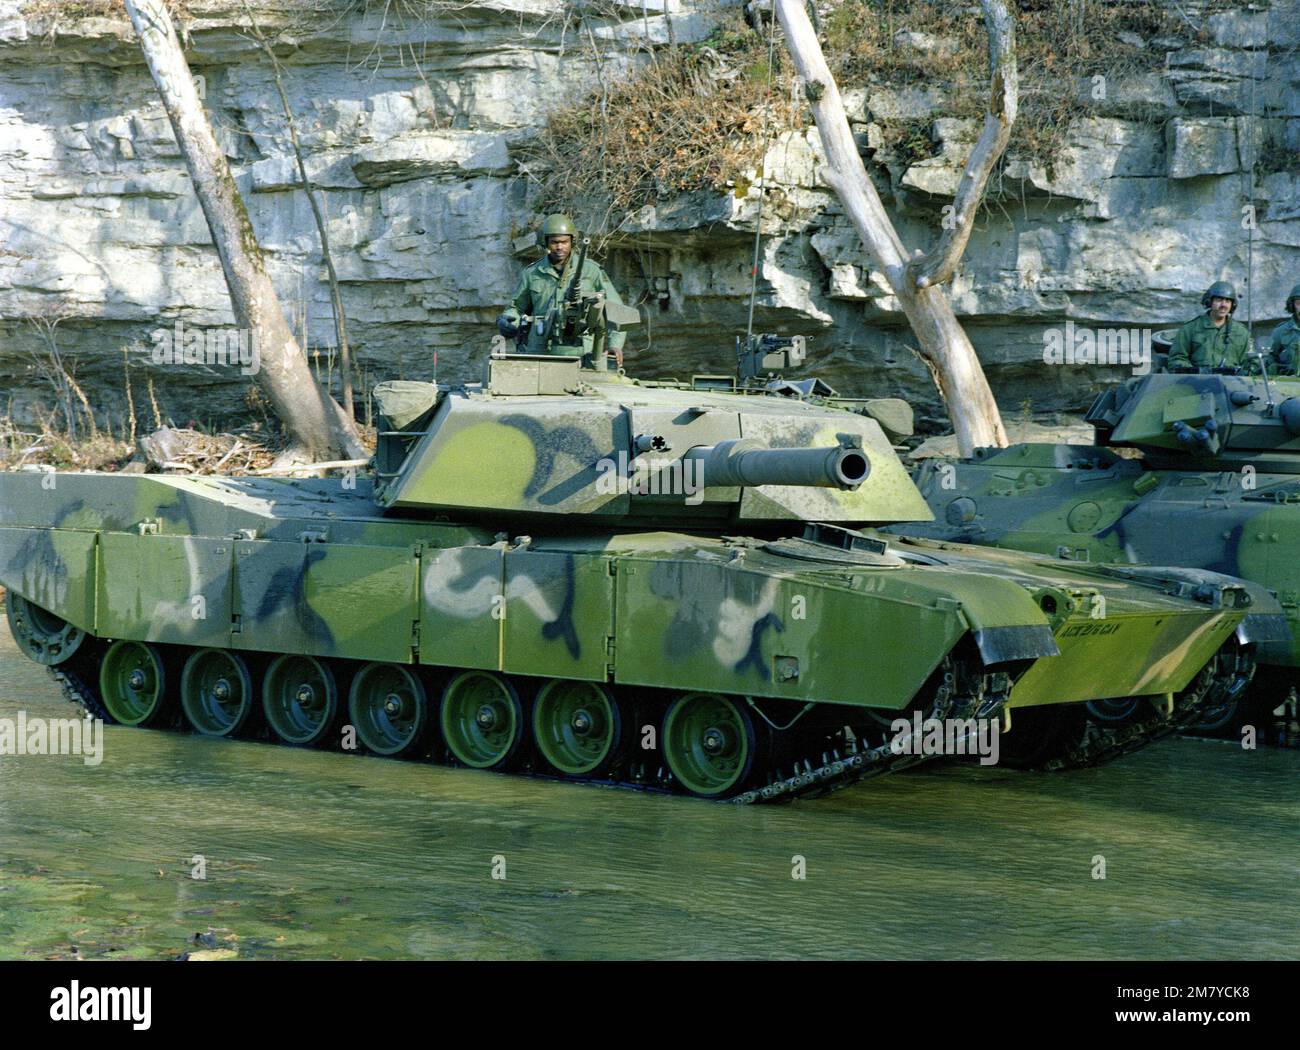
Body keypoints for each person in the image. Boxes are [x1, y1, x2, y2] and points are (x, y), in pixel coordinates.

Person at [495, 214, 629, 367]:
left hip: (581, 354)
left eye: (564, 242)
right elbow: (517, 307)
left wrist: (615, 345)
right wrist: (507, 320)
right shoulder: (532, 273)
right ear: (545, 243)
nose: (560, 247)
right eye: (554, 242)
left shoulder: (592, 271)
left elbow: (617, 310)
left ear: (572, 242)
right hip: (539, 352)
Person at [1165, 281, 1252, 373]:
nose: (1223, 305)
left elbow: (1251, 363)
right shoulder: (1190, 329)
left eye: (1228, 301)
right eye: (1219, 300)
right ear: (1209, 302)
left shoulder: (1241, 332)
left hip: (1231, 384)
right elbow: (1177, 359)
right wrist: (1194, 373)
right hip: (1197, 384)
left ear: (1232, 305)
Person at [1267, 284, 1300, 375]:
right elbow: (1269, 356)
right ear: (1292, 305)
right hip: (1290, 382)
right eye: (1299, 303)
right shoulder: (1282, 331)